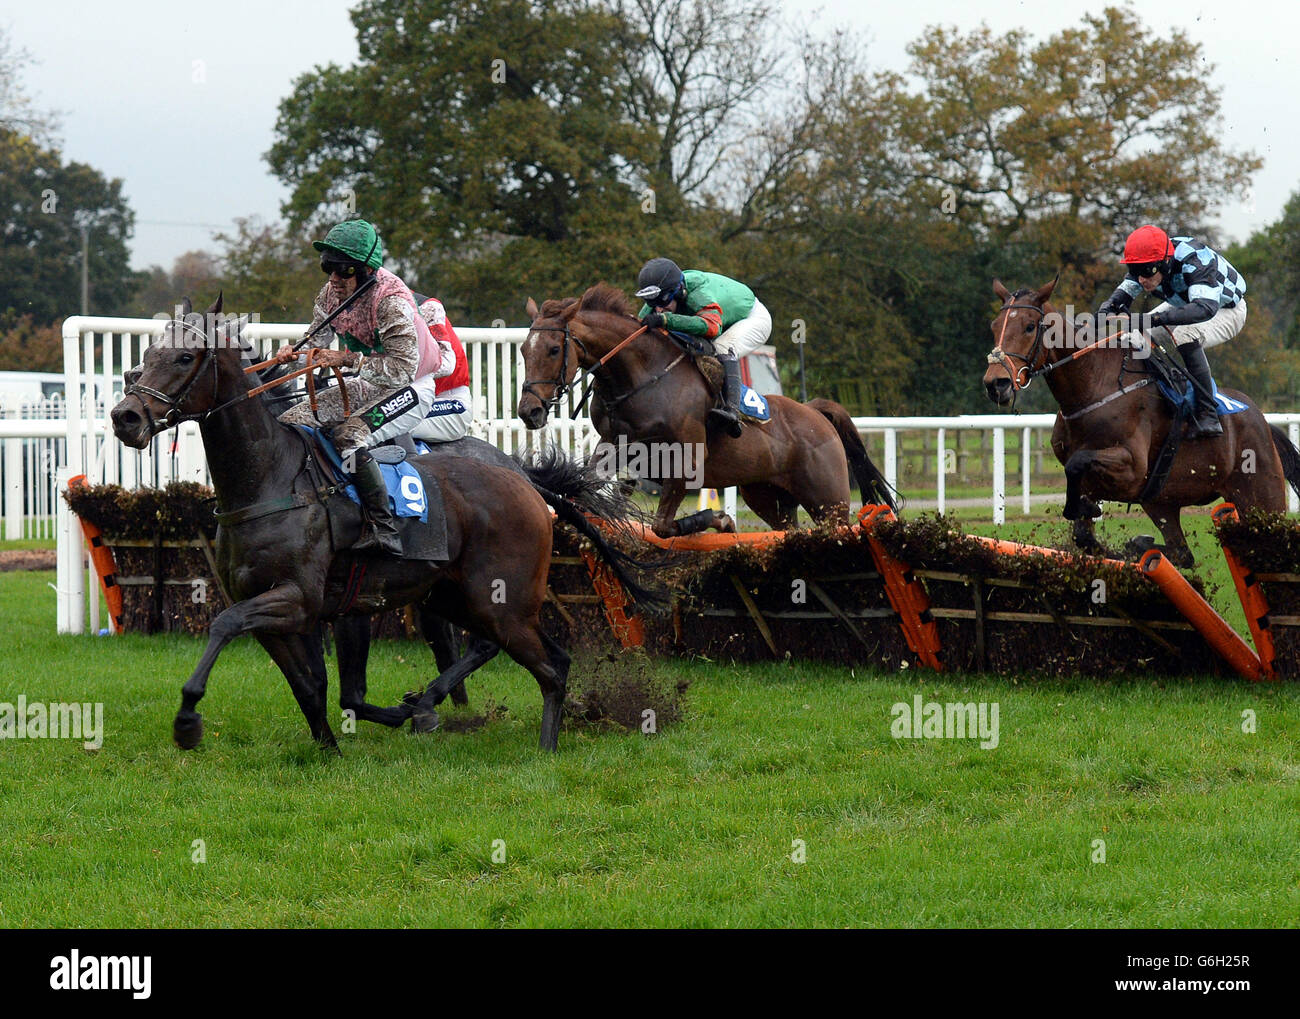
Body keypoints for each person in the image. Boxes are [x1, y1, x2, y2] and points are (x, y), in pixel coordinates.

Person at [274, 219, 459, 555]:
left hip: (413, 386)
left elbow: (402, 369)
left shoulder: (392, 302)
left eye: (342, 269)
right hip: (372, 381)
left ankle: (383, 526)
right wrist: (291, 355)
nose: (333, 277)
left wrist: (346, 361)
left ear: (366, 271)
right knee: (292, 420)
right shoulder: (331, 293)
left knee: (348, 435)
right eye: (328, 266)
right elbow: (315, 341)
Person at [1097, 225, 1248, 438]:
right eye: (1134, 270)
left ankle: (1207, 413)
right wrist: (1104, 313)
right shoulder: (1147, 264)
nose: (1141, 279)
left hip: (1225, 309)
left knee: (1185, 335)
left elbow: (1204, 309)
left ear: (1165, 262)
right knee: (1133, 338)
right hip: (1186, 303)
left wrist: (1150, 319)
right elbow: (1116, 301)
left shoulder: (1195, 261)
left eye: (1147, 271)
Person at [633, 258, 771, 437]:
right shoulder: (661, 297)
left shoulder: (697, 292)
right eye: (652, 304)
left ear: (678, 290)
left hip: (751, 318)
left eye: (664, 301)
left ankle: (732, 412)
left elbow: (712, 327)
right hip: (723, 320)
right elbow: (639, 327)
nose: (659, 308)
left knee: (722, 347)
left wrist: (667, 320)